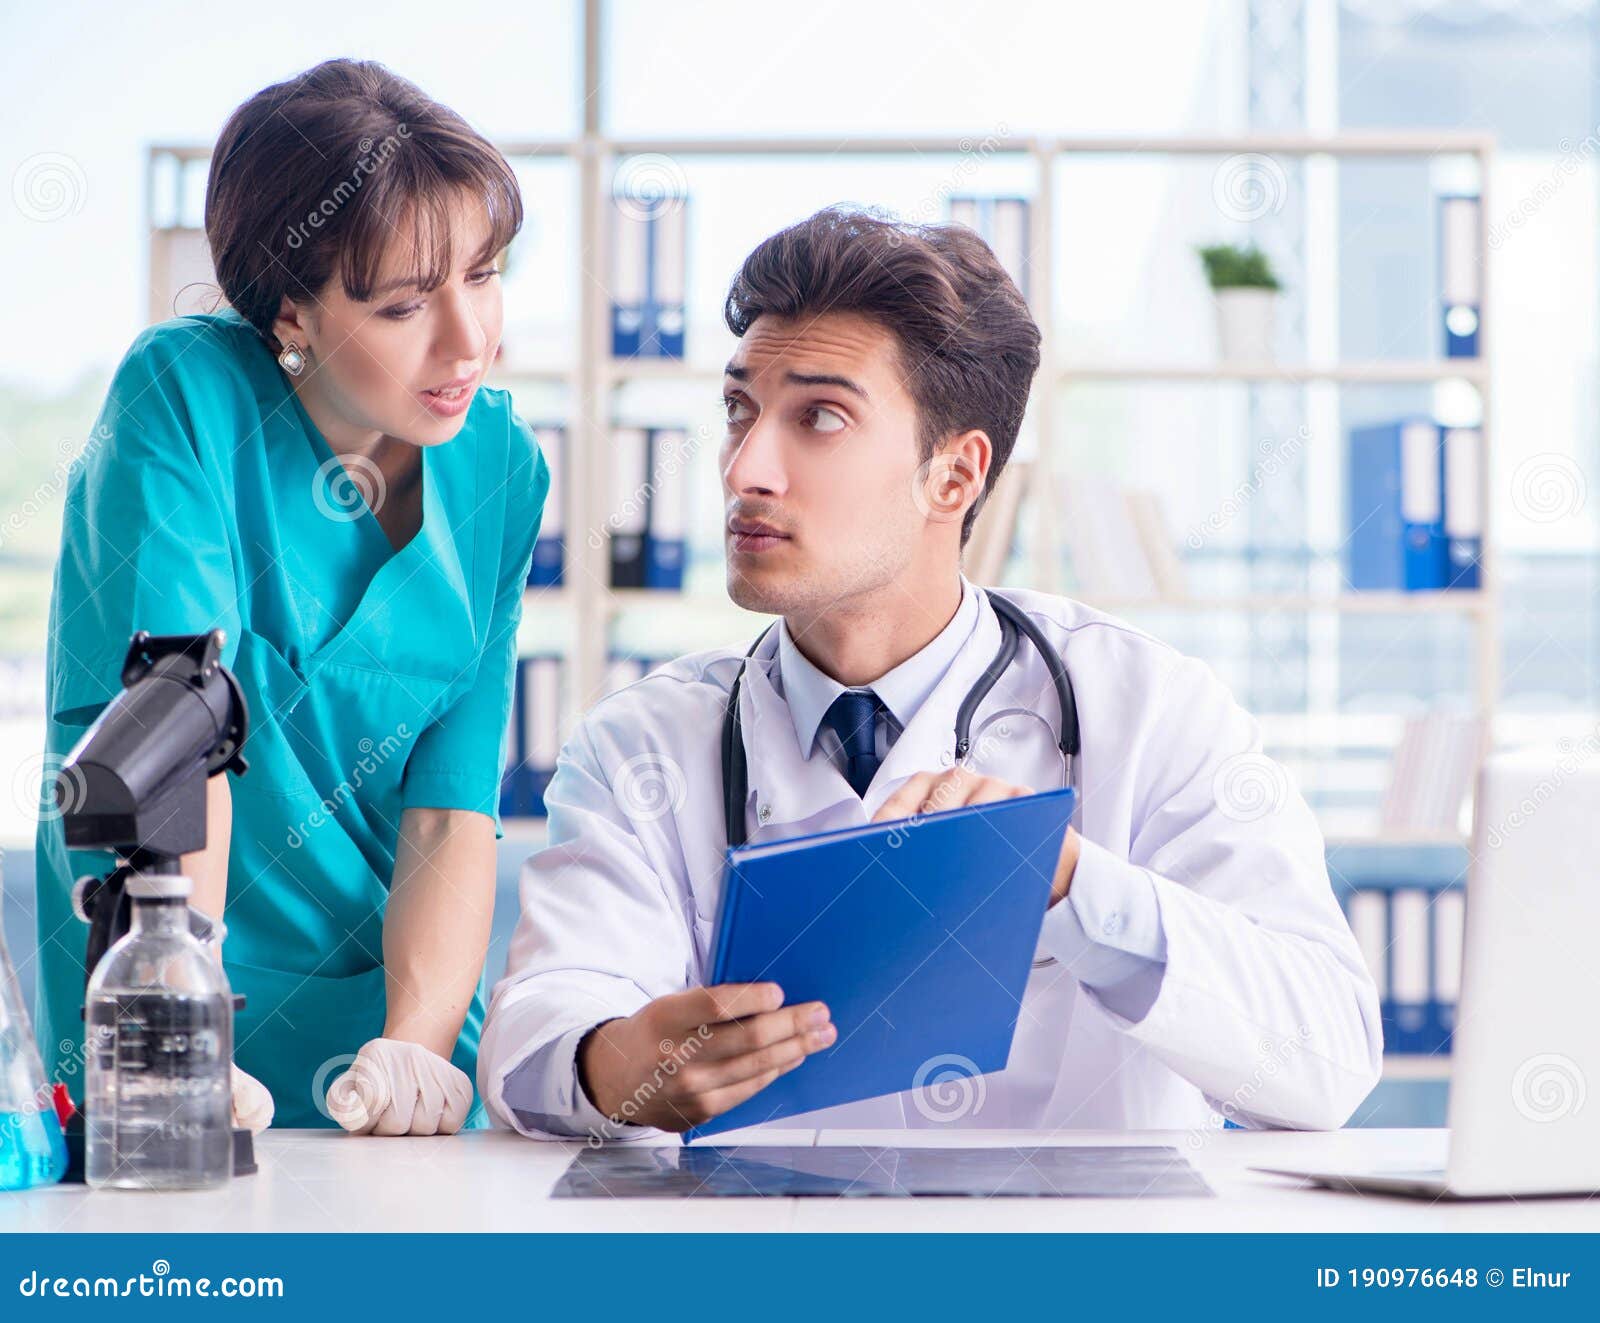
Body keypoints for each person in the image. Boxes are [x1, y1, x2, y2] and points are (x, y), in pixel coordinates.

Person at [479, 206, 1382, 1140]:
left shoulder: (1150, 708)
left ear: (953, 476)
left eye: (819, 417)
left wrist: (1070, 885)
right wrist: (610, 1063)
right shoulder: (647, 741)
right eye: (739, 410)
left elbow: (1328, 1061)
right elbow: (541, 1020)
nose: (746, 467)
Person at [36, 59, 547, 1134]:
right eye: (406, 303)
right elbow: (174, 727)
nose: (468, 342)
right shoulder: (186, 399)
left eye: (486, 275)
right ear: (290, 311)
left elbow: (455, 808)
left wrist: (416, 1044)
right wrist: (183, 1025)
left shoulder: (502, 467)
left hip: (395, 1017)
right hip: (174, 981)